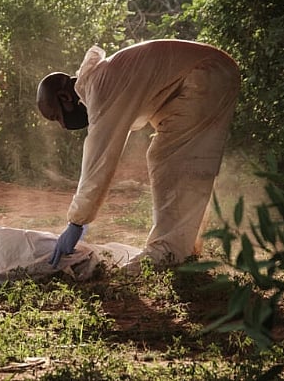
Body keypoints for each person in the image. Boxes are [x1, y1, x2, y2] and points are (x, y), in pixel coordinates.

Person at [37, 39, 240, 273]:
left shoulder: (101, 87)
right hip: (207, 73)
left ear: (65, 98)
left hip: (205, 73)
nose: (63, 125)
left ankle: (168, 253)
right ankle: (182, 248)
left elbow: (100, 159)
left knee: (173, 159)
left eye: (57, 117)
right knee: (179, 159)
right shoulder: (100, 83)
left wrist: (77, 222)